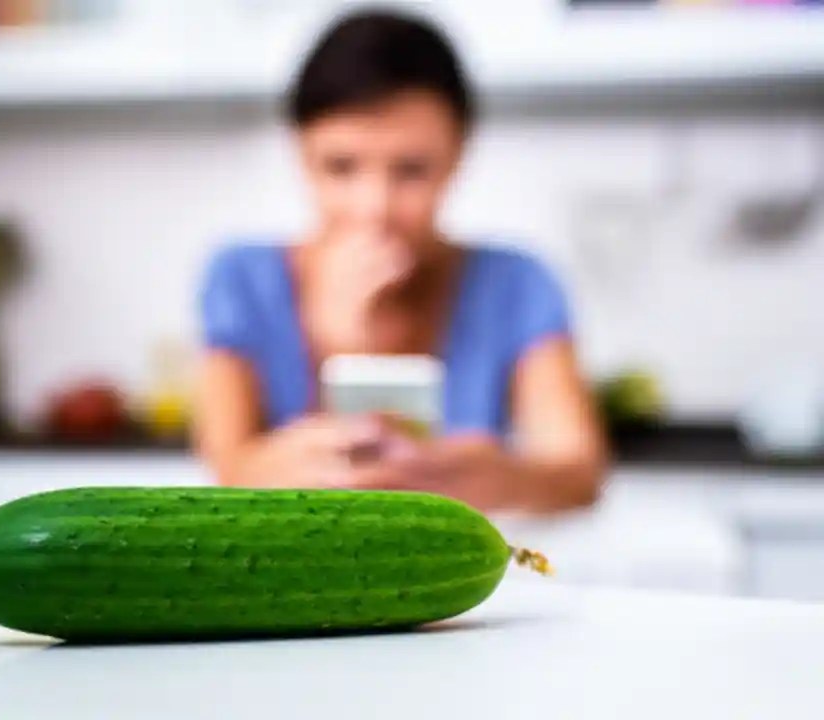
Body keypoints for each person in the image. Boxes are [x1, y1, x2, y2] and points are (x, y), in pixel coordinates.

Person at [194, 10, 606, 512]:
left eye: (411, 170)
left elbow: (578, 474)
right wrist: (332, 344)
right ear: (301, 151)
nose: (375, 208)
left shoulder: (518, 283)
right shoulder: (241, 280)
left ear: (457, 155)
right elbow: (228, 469)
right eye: (341, 167)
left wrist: (500, 477)